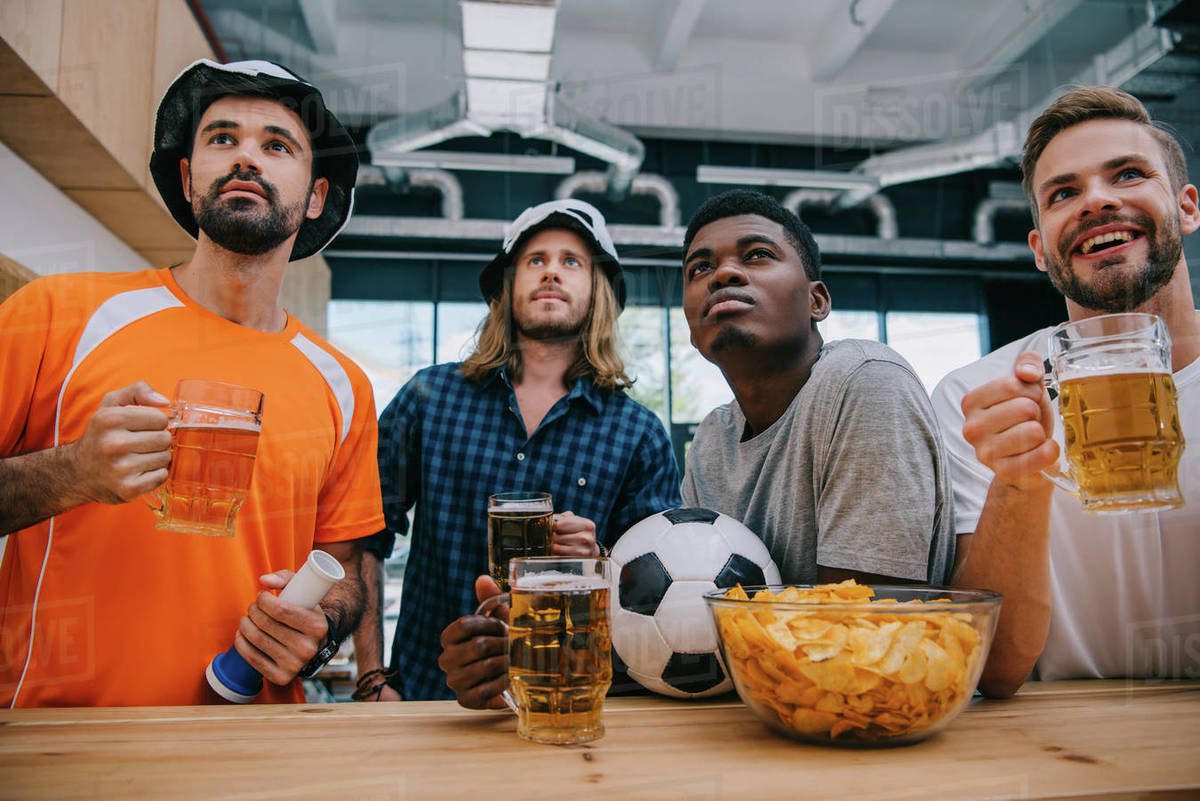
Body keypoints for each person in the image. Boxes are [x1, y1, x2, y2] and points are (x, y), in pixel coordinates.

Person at [0, 59, 384, 707]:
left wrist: (321, 626)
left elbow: (344, 566)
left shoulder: (342, 383)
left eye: (277, 145)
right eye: (221, 139)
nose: (246, 159)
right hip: (59, 741)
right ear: (187, 177)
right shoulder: (60, 314)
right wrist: (72, 471)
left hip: (253, 743)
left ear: (316, 195)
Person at [353, 199, 681, 704]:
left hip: (567, 706)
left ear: (599, 292)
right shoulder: (428, 398)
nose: (551, 271)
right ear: (506, 287)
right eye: (535, 260)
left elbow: (657, 594)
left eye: (571, 261)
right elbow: (362, 535)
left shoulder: (638, 432)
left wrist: (599, 561)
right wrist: (372, 679)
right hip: (426, 701)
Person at [931, 87, 1200, 698]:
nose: (1097, 201)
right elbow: (991, 668)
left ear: (1187, 208)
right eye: (1063, 193)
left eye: (1127, 174)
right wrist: (1017, 482)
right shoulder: (977, 397)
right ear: (1040, 249)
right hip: (1055, 738)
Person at [679, 189, 955, 586]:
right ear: (691, 327)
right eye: (700, 269)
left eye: (757, 254)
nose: (723, 274)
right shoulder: (711, 440)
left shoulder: (865, 381)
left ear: (817, 301)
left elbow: (857, 628)